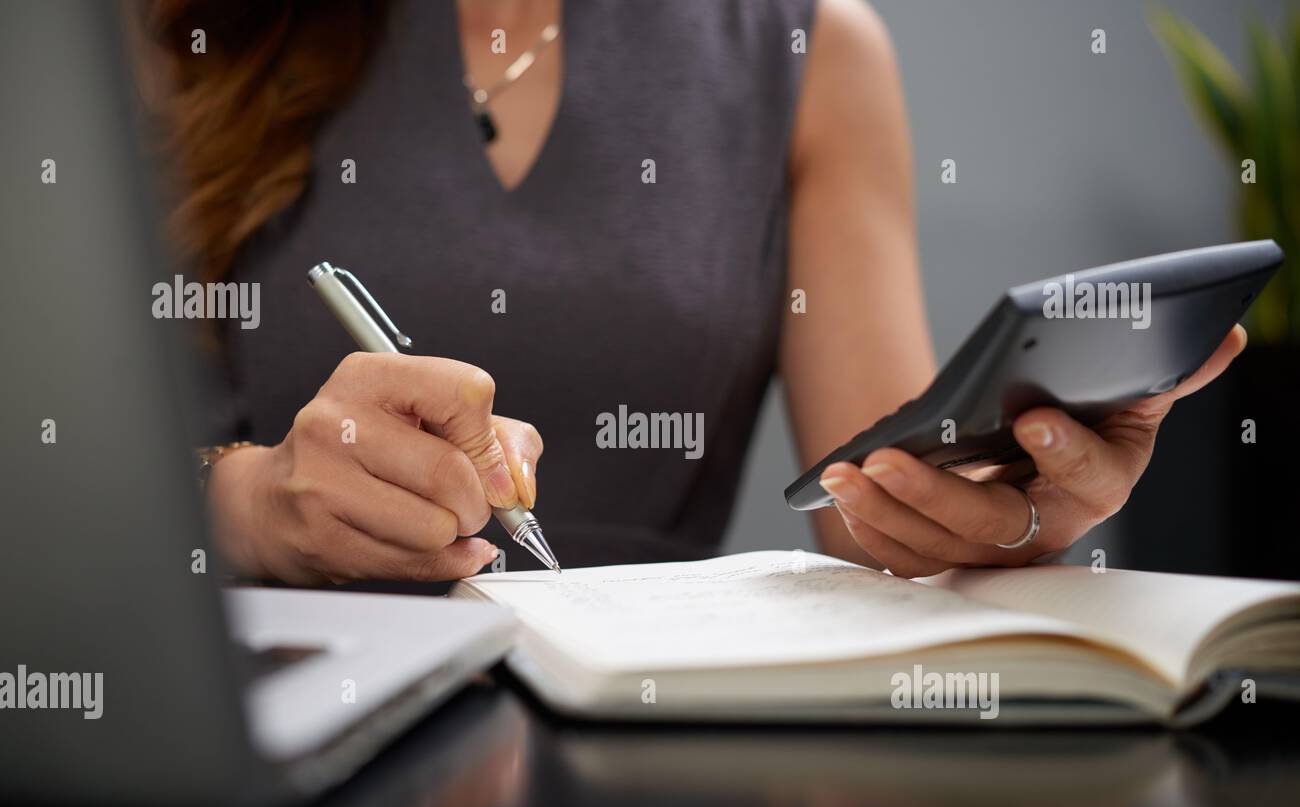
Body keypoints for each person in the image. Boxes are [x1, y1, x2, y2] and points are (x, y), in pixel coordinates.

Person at [135, 0, 1245, 584]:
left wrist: (1021, 503)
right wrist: (252, 502)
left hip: (646, 732)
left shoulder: (811, 46)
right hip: (277, 720)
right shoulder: (177, 35)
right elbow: (64, 488)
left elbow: (880, 503)